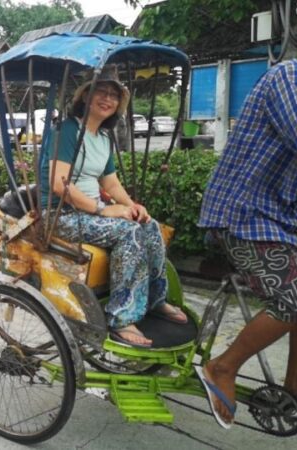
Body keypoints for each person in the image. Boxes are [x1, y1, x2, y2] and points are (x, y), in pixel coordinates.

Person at [197, 3, 297, 428]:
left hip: (284, 219)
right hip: (243, 213)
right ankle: (221, 367)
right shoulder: (290, 77)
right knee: (296, 300)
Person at [40, 66, 186, 348]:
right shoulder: (67, 130)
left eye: (114, 95)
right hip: (61, 215)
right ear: (86, 96)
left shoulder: (104, 137)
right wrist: (102, 209)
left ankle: (155, 300)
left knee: (149, 226)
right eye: (101, 92)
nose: (107, 99)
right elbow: (59, 183)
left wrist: (133, 206)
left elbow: (111, 182)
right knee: (129, 232)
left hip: (89, 213)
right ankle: (121, 317)